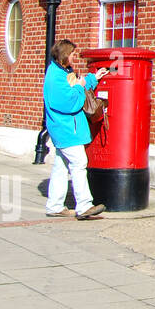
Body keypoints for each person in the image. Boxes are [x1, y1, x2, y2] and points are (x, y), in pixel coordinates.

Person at [43, 39, 109, 219]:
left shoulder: (62, 72)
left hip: (65, 128)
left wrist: (93, 78)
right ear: (64, 54)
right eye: (72, 54)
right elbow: (69, 101)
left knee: (61, 166)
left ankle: (55, 205)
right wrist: (81, 88)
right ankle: (84, 205)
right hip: (66, 128)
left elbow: (75, 84)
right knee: (79, 163)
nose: (74, 57)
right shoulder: (55, 77)